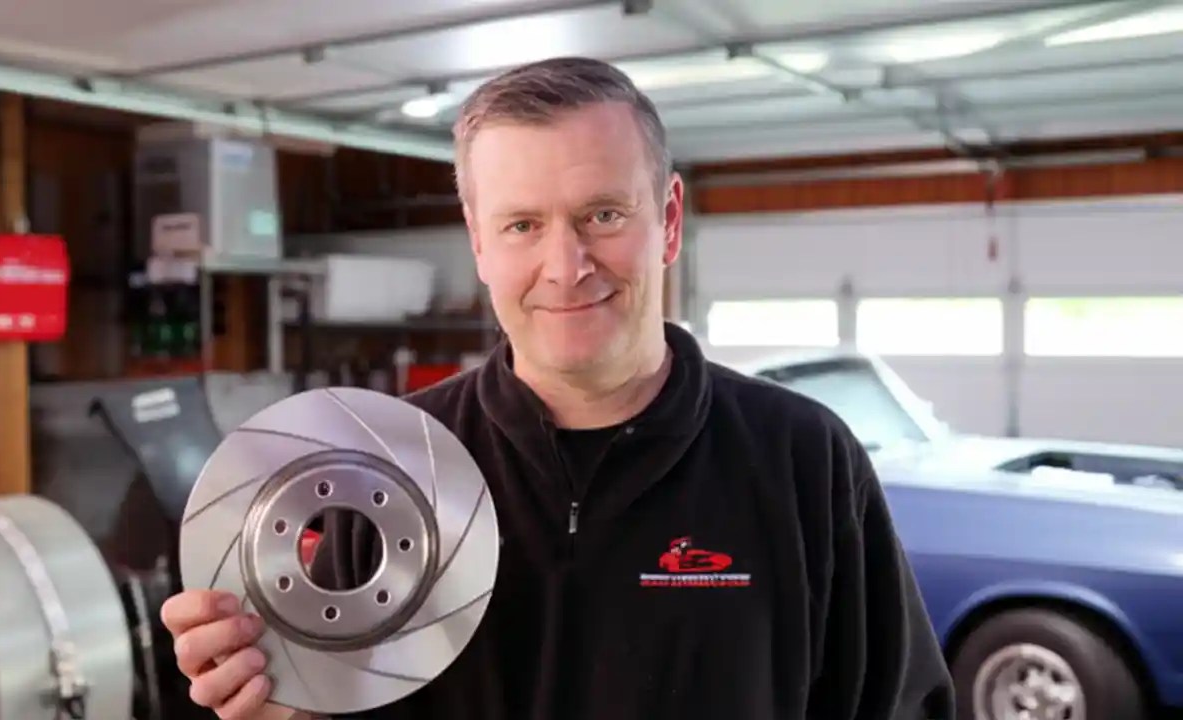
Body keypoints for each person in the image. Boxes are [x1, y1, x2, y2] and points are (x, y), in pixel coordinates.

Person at [160, 56, 955, 720]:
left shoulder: (802, 460)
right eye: (522, 226)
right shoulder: (385, 467)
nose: (565, 266)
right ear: (478, 241)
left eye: (603, 215)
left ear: (669, 220)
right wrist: (286, 710)